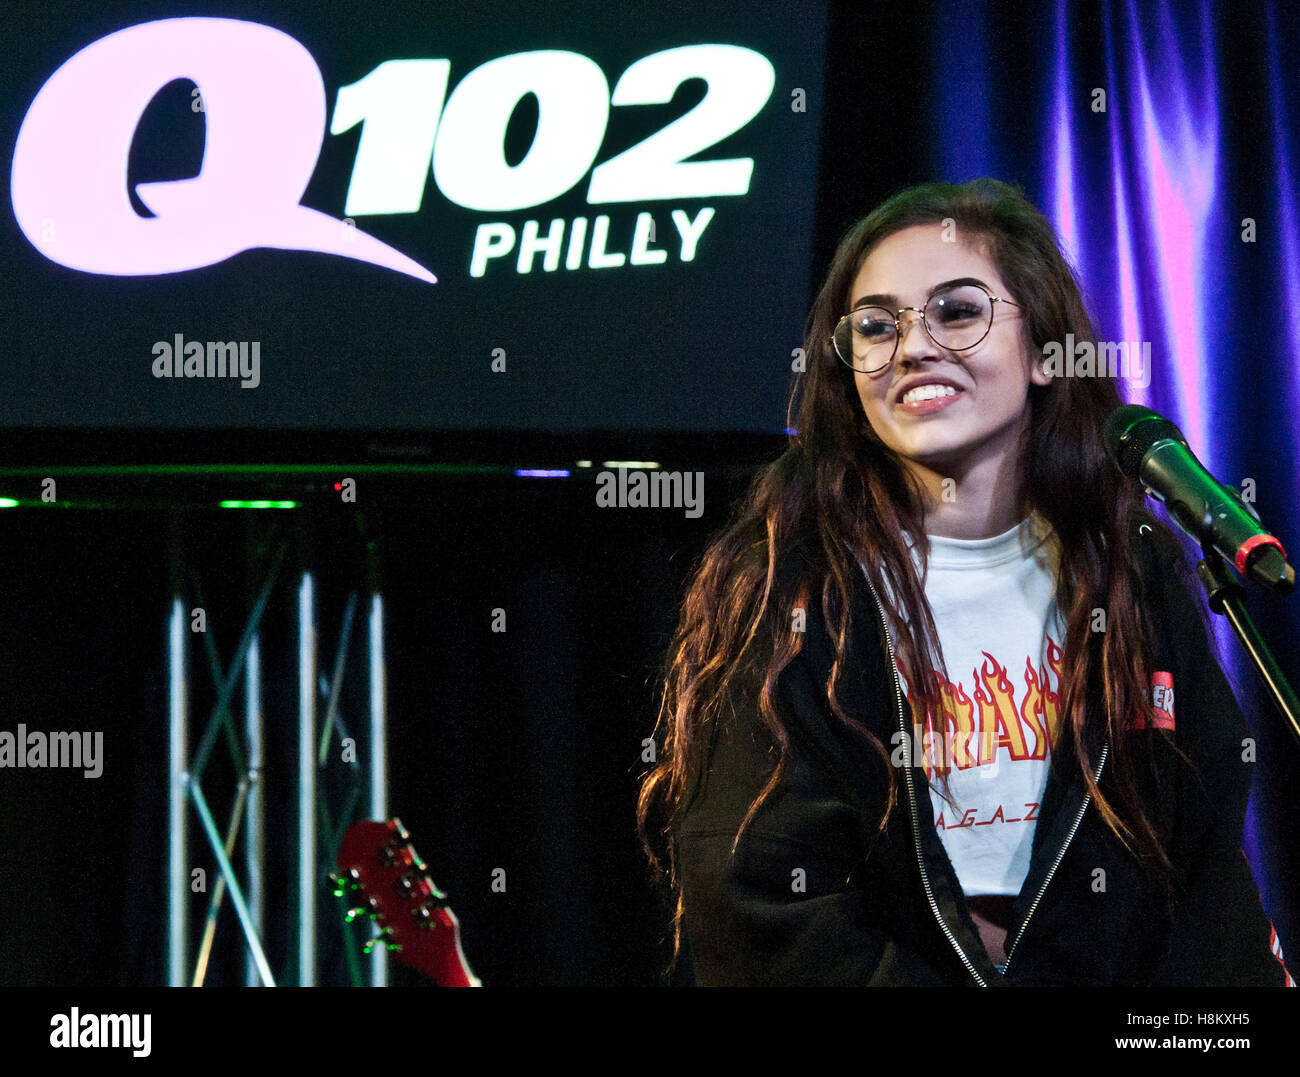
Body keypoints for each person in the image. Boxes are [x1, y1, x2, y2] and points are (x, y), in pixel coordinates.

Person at [636, 178, 1293, 987]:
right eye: (876, 326)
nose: (913, 347)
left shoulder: (1133, 563)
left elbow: (1203, 871)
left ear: (1046, 351)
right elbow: (761, 895)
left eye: (956, 311)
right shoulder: (789, 581)